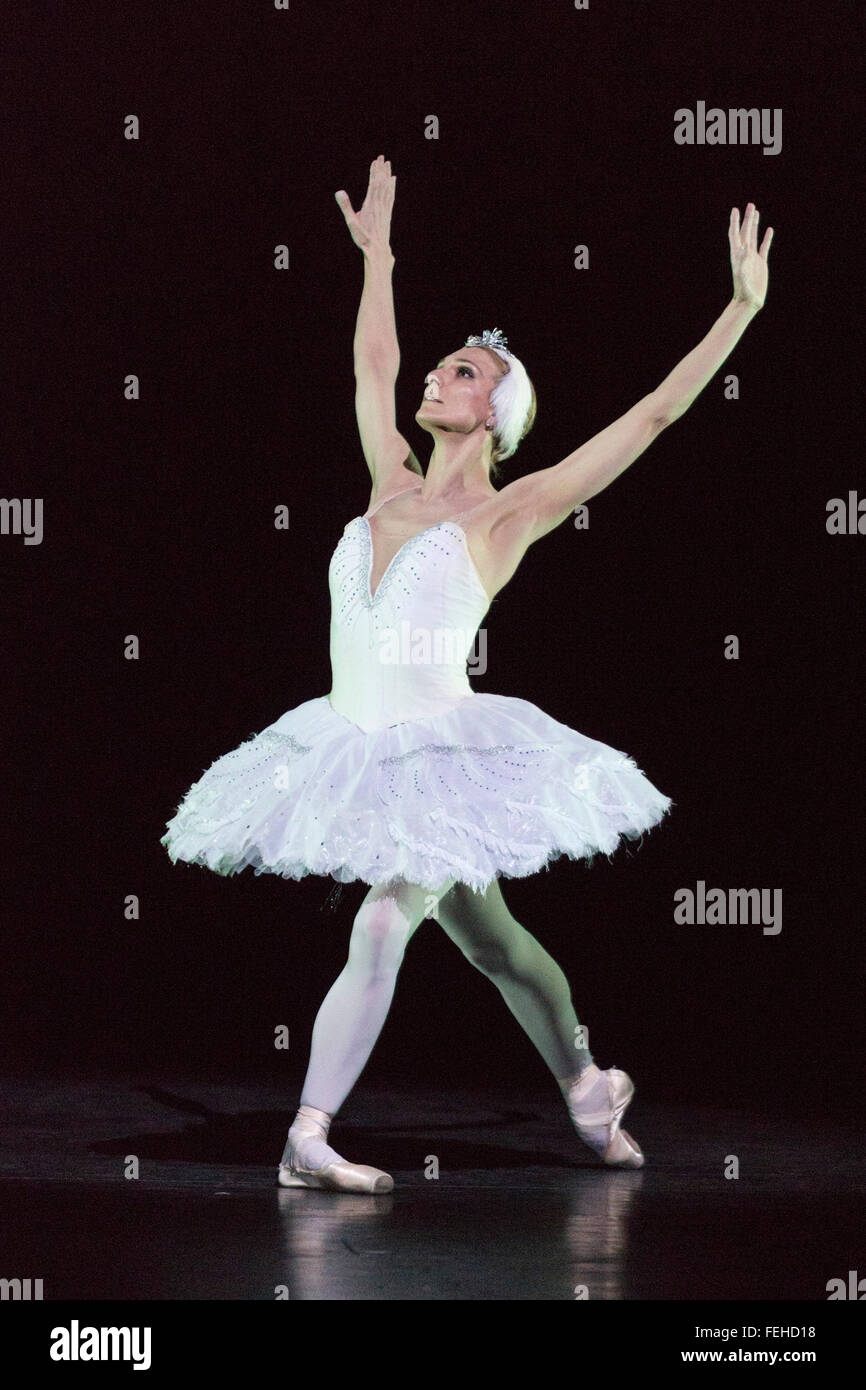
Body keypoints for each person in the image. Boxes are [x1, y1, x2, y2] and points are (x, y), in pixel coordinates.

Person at [161, 157, 772, 1192]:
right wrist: (379, 257)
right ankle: (586, 1087)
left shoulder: (504, 512)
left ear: (495, 410)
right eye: (440, 366)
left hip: (443, 754)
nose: (436, 375)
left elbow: (649, 419)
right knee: (492, 945)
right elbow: (370, 361)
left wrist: (738, 312)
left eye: (463, 370)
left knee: (386, 916)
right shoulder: (385, 481)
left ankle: (307, 1133)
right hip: (351, 743)